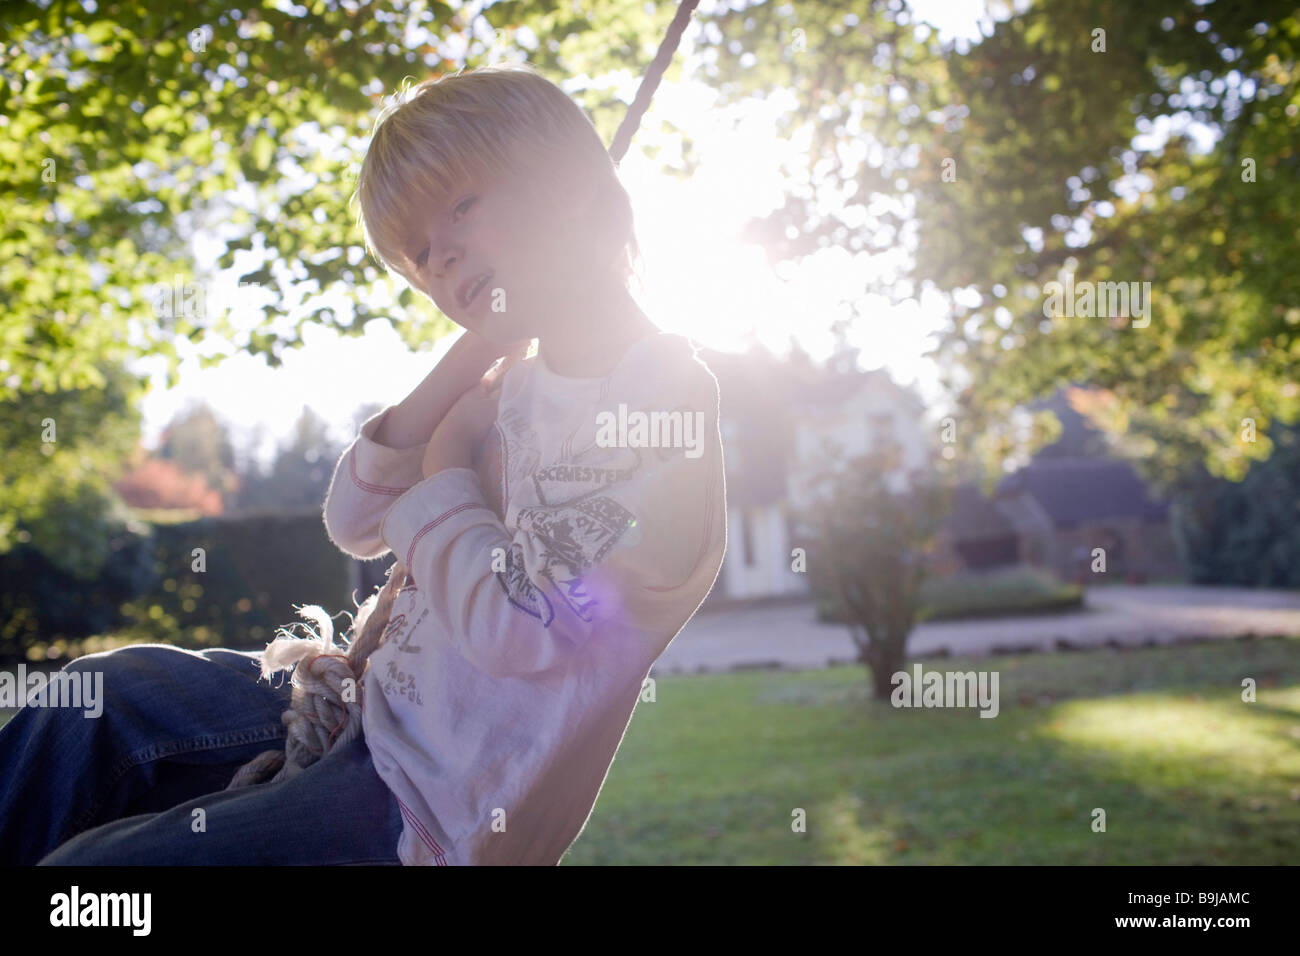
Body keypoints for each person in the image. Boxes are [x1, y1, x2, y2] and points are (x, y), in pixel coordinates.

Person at [1, 62, 726, 865]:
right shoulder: (509, 386)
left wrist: (450, 463)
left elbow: (525, 627)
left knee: (93, 886)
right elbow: (354, 521)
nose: (441, 257)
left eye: (462, 205)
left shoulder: (657, 397)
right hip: (366, 710)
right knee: (96, 703)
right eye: (420, 253)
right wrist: (472, 355)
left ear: (572, 186)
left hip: (427, 809)